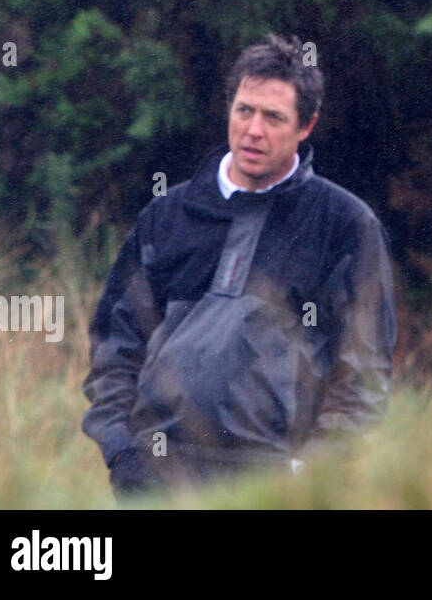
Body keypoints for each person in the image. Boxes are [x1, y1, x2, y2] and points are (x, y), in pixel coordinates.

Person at [82, 34, 398, 496]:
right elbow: (114, 345)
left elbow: (364, 372)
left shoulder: (346, 225)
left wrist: (312, 473)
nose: (254, 130)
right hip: (157, 477)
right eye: (244, 110)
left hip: (271, 483)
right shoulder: (167, 215)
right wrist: (121, 451)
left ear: (305, 126)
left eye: (274, 117)